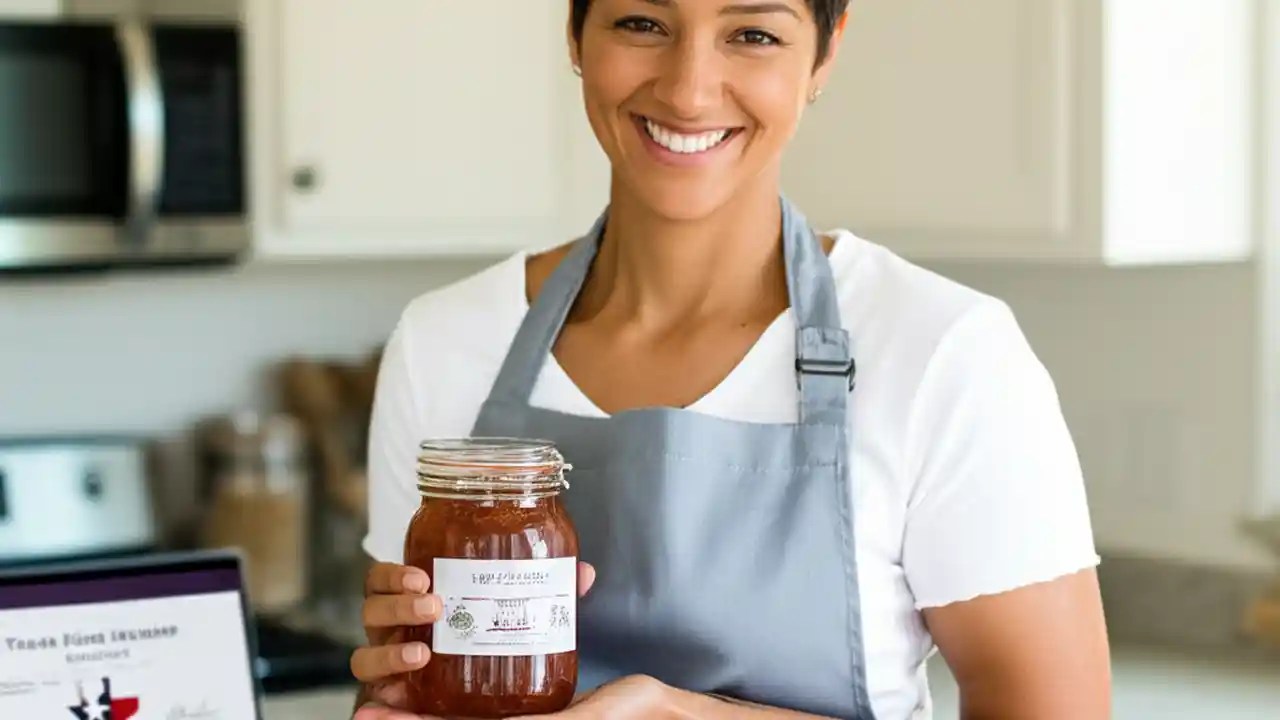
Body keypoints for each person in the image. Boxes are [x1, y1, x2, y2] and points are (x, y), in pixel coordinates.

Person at [350, 0, 1112, 717]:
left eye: (752, 34)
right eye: (644, 22)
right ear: (575, 37)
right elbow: (411, 685)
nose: (687, 90)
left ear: (825, 54)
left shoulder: (944, 352)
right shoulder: (444, 342)